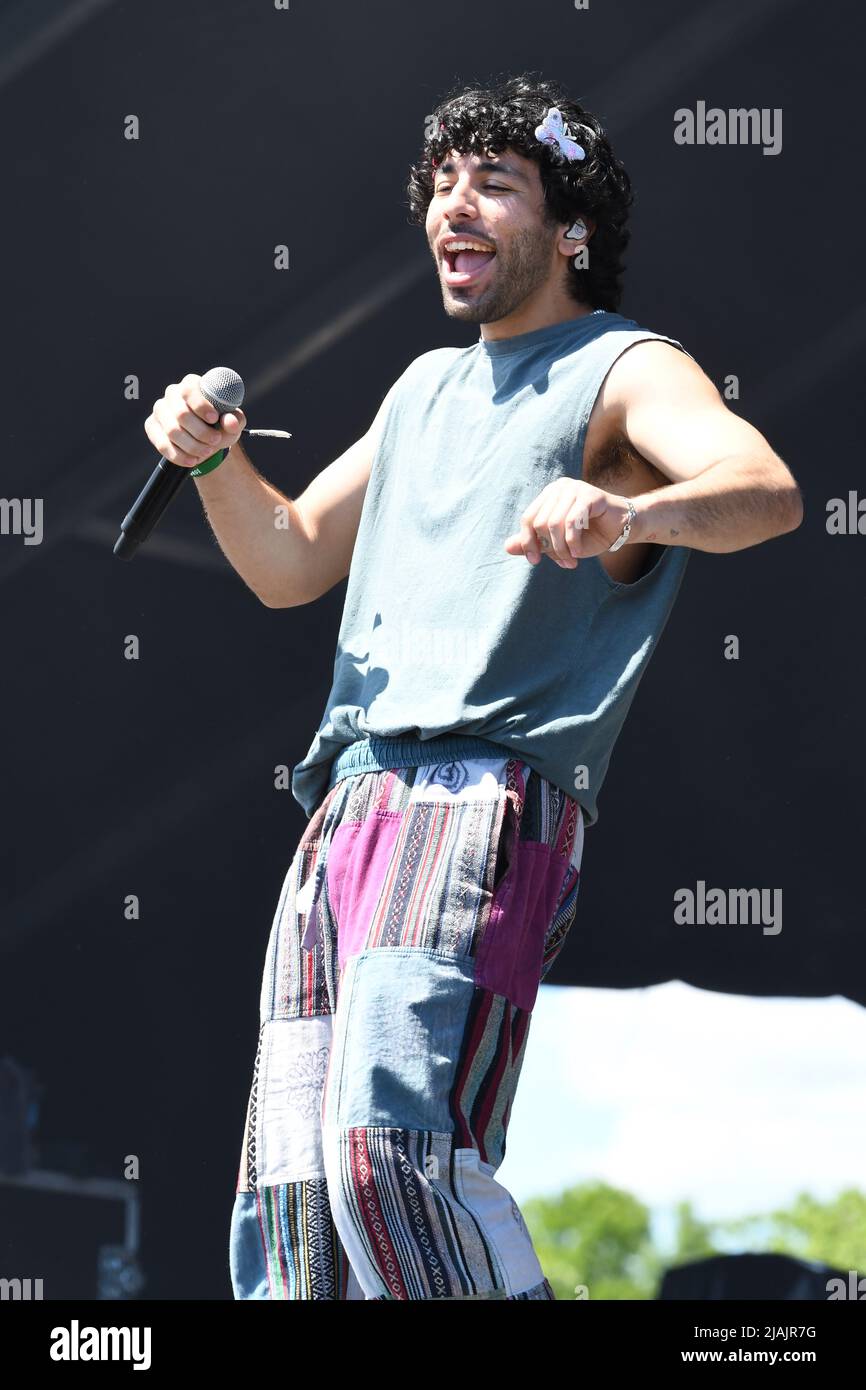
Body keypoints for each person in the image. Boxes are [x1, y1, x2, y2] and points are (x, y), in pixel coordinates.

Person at [145, 74, 802, 1300]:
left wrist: (628, 506)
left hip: (479, 795)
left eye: (492, 183)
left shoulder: (621, 363)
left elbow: (763, 489)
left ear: (570, 232)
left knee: (391, 1155)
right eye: (442, 185)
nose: (454, 204)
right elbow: (288, 562)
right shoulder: (420, 390)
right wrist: (219, 463)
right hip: (345, 804)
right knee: (292, 1202)